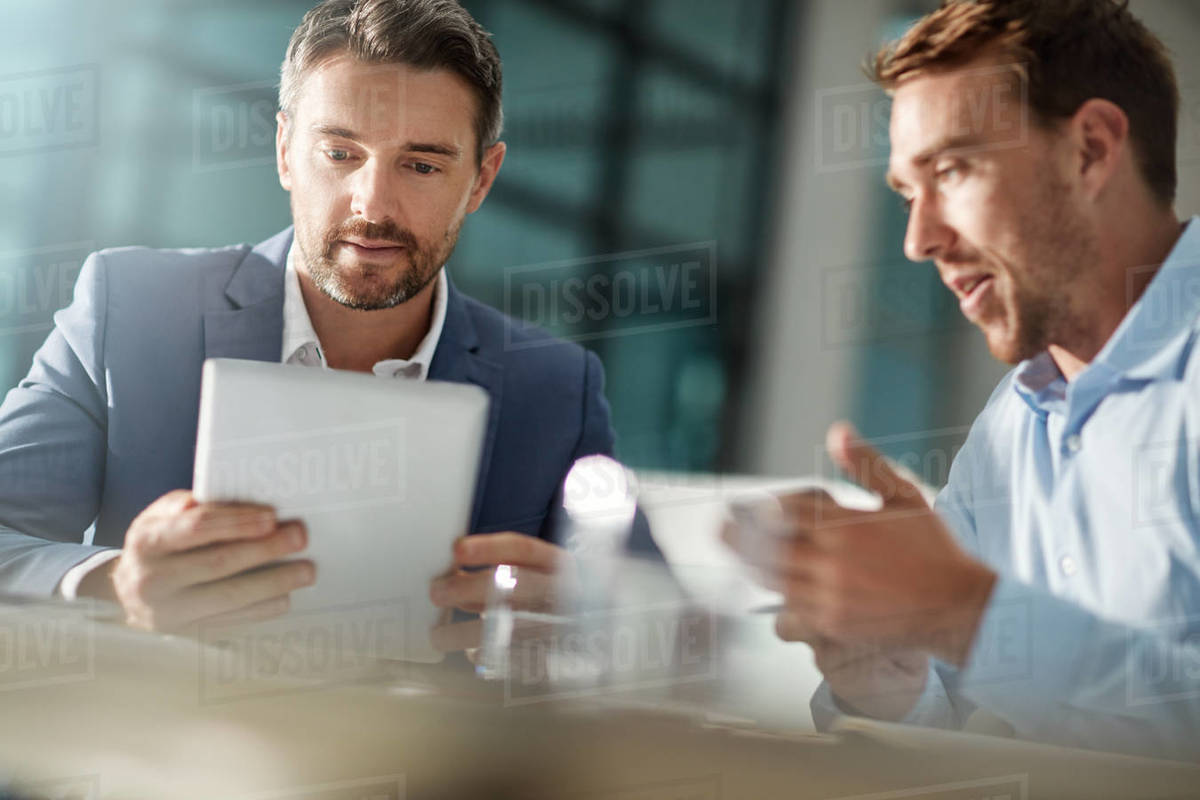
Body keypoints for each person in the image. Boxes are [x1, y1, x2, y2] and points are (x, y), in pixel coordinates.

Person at [0, 0, 651, 633]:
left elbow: (658, 613)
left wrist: (586, 624)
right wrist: (113, 582)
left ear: (480, 180)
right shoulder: (131, 309)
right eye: (340, 154)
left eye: (421, 164)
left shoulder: (557, 391)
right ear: (286, 151)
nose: (372, 204)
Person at [725, 0, 1200, 760]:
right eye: (909, 194)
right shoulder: (1014, 419)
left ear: (1090, 149)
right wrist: (887, 679)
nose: (919, 241)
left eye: (953, 169)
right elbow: (959, 732)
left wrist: (965, 612)